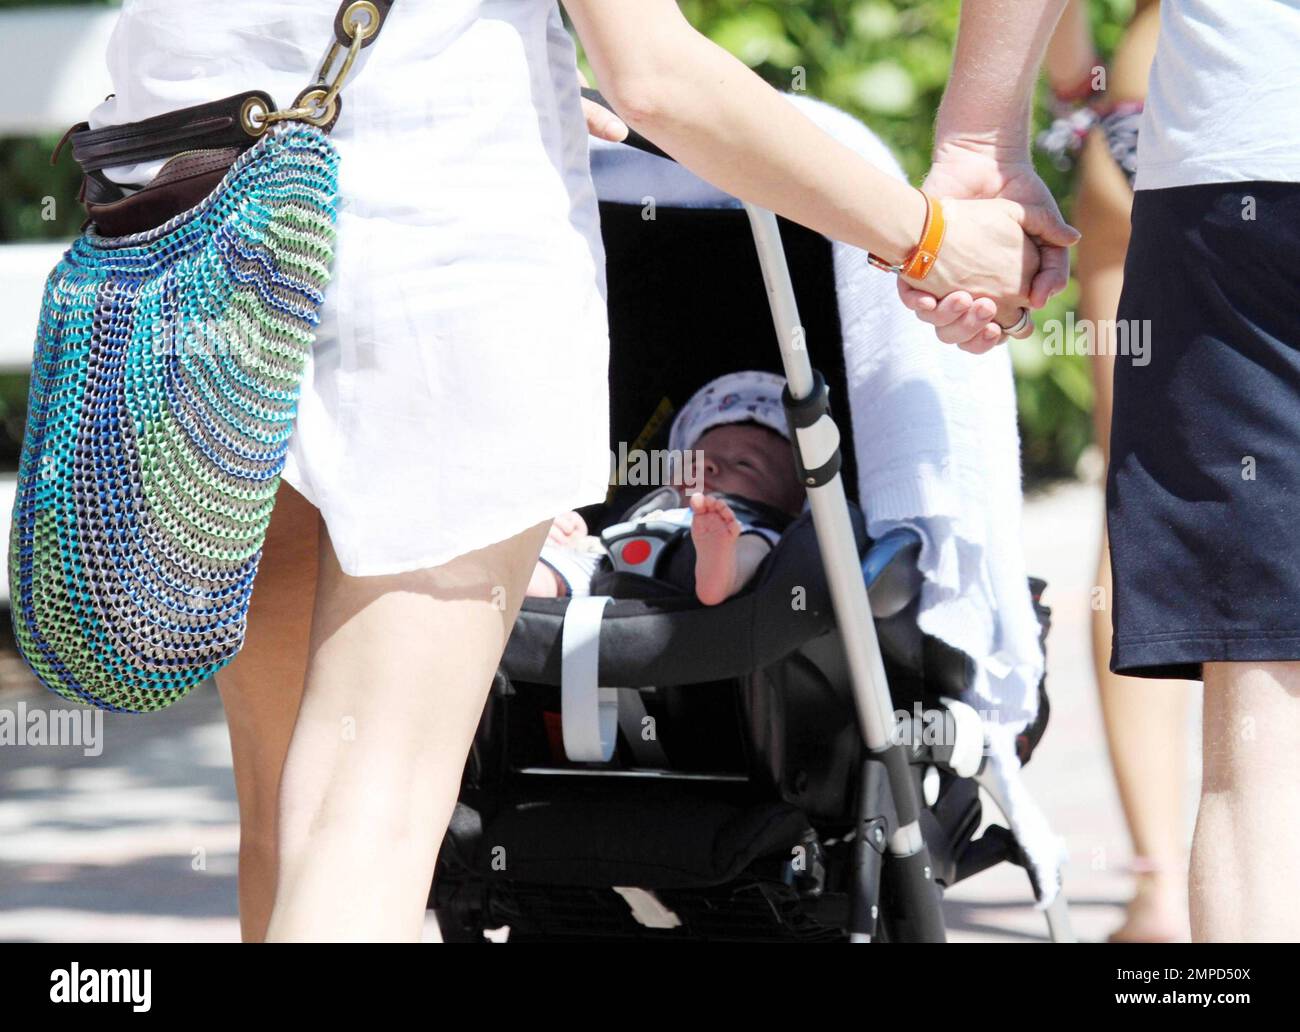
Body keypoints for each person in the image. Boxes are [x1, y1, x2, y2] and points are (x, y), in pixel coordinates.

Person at [89, 0, 1070, 941]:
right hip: (436, 265)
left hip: (194, 259)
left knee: (284, 814)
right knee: (367, 813)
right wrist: (930, 238)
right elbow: (651, 73)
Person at [1103, 0, 1300, 942]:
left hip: (1228, 135)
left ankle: (1150, 894)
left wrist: (988, 129)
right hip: (1211, 132)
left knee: (1255, 703)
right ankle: (1147, 886)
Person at [1043, 0, 1192, 944]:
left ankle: (1161, 890)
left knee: (1139, 496)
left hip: (1145, 112)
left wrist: (1075, 85)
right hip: (1269, 117)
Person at [530, 371, 805, 606]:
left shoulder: (758, 525)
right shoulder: (655, 508)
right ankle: (526, 584)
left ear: (794, 502)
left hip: (701, 556)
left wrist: (719, 547)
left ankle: (723, 572)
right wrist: (574, 538)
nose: (708, 464)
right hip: (612, 564)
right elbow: (599, 546)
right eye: (698, 455)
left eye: (744, 463)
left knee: (757, 549)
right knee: (558, 566)